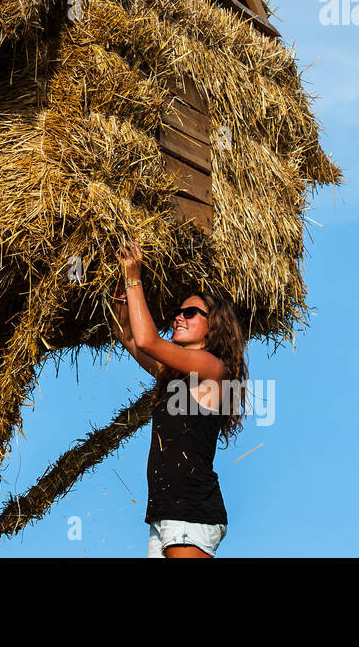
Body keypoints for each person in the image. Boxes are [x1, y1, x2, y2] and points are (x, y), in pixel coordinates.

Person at [111, 239, 249, 558]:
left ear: (213, 326)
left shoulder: (212, 367)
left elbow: (146, 340)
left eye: (190, 313)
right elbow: (126, 333)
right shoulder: (173, 375)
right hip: (166, 511)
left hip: (191, 509)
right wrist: (122, 273)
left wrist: (135, 276)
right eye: (178, 312)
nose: (179, 318)